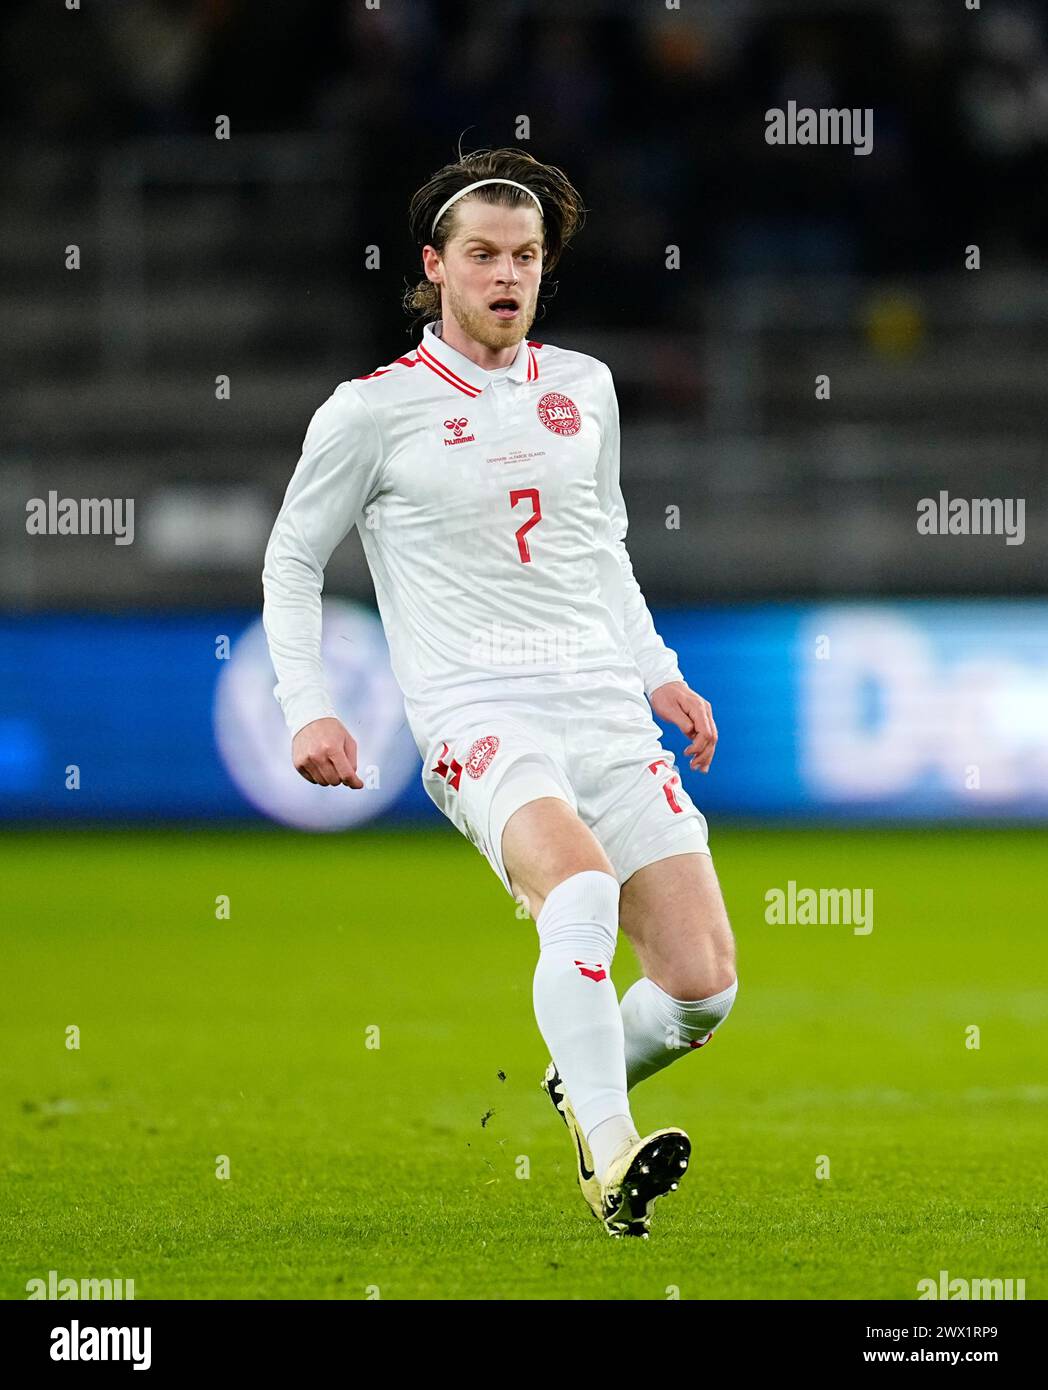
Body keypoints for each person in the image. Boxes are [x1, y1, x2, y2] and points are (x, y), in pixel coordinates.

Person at [261, 147, 738, 1237]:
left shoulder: (584, 388)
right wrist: (308, 705)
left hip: (604, 710)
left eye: (525, 255)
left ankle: (586, 1076)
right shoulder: (369, 411)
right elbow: (291, 559)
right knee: (575, 893)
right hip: (479, 715)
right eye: (481, 254)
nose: (506, 274)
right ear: (434, 267)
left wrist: (658, 672)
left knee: (702, 986)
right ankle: (610, 1156)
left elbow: (601, 546)